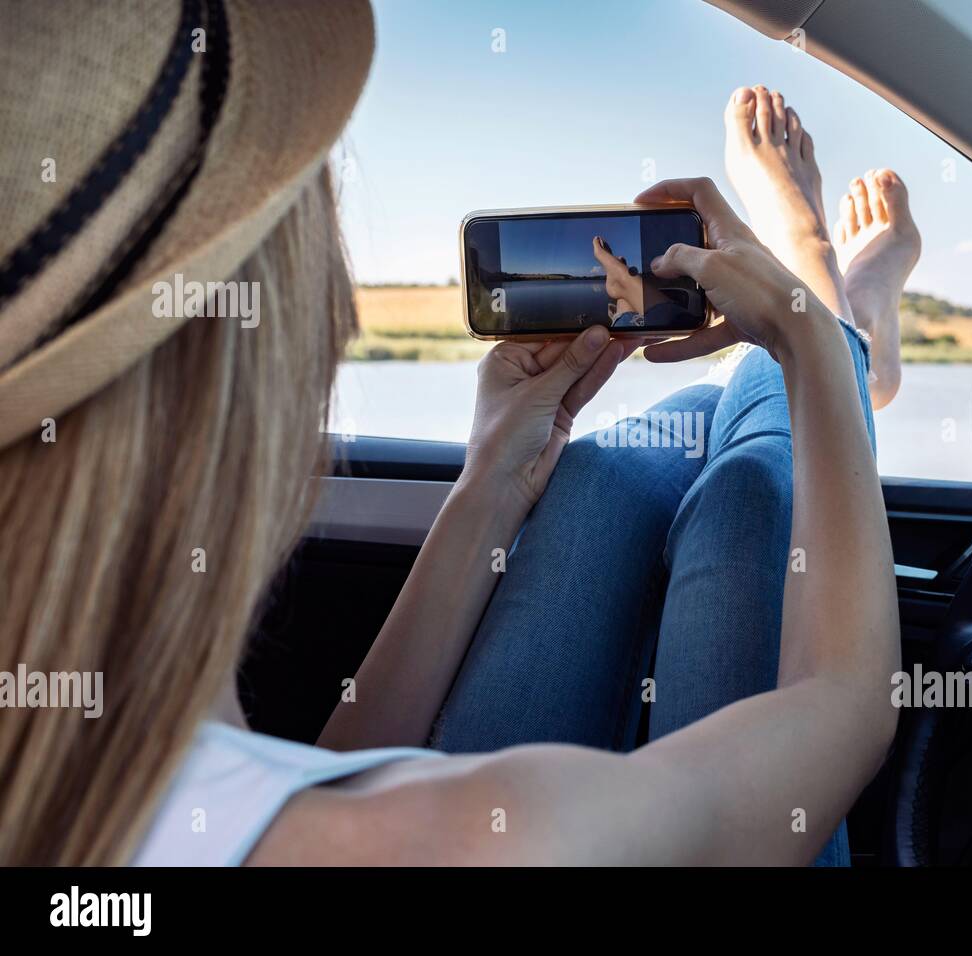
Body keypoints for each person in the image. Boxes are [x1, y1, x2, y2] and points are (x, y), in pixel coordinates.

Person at [0, 0, 904, 867]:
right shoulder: (488, 842)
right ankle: (844, 313)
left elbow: (329, 769)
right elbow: (847, 701)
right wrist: (802, 333)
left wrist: (487, 489)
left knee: (595, 477)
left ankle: (846, 328)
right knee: (751, 498)